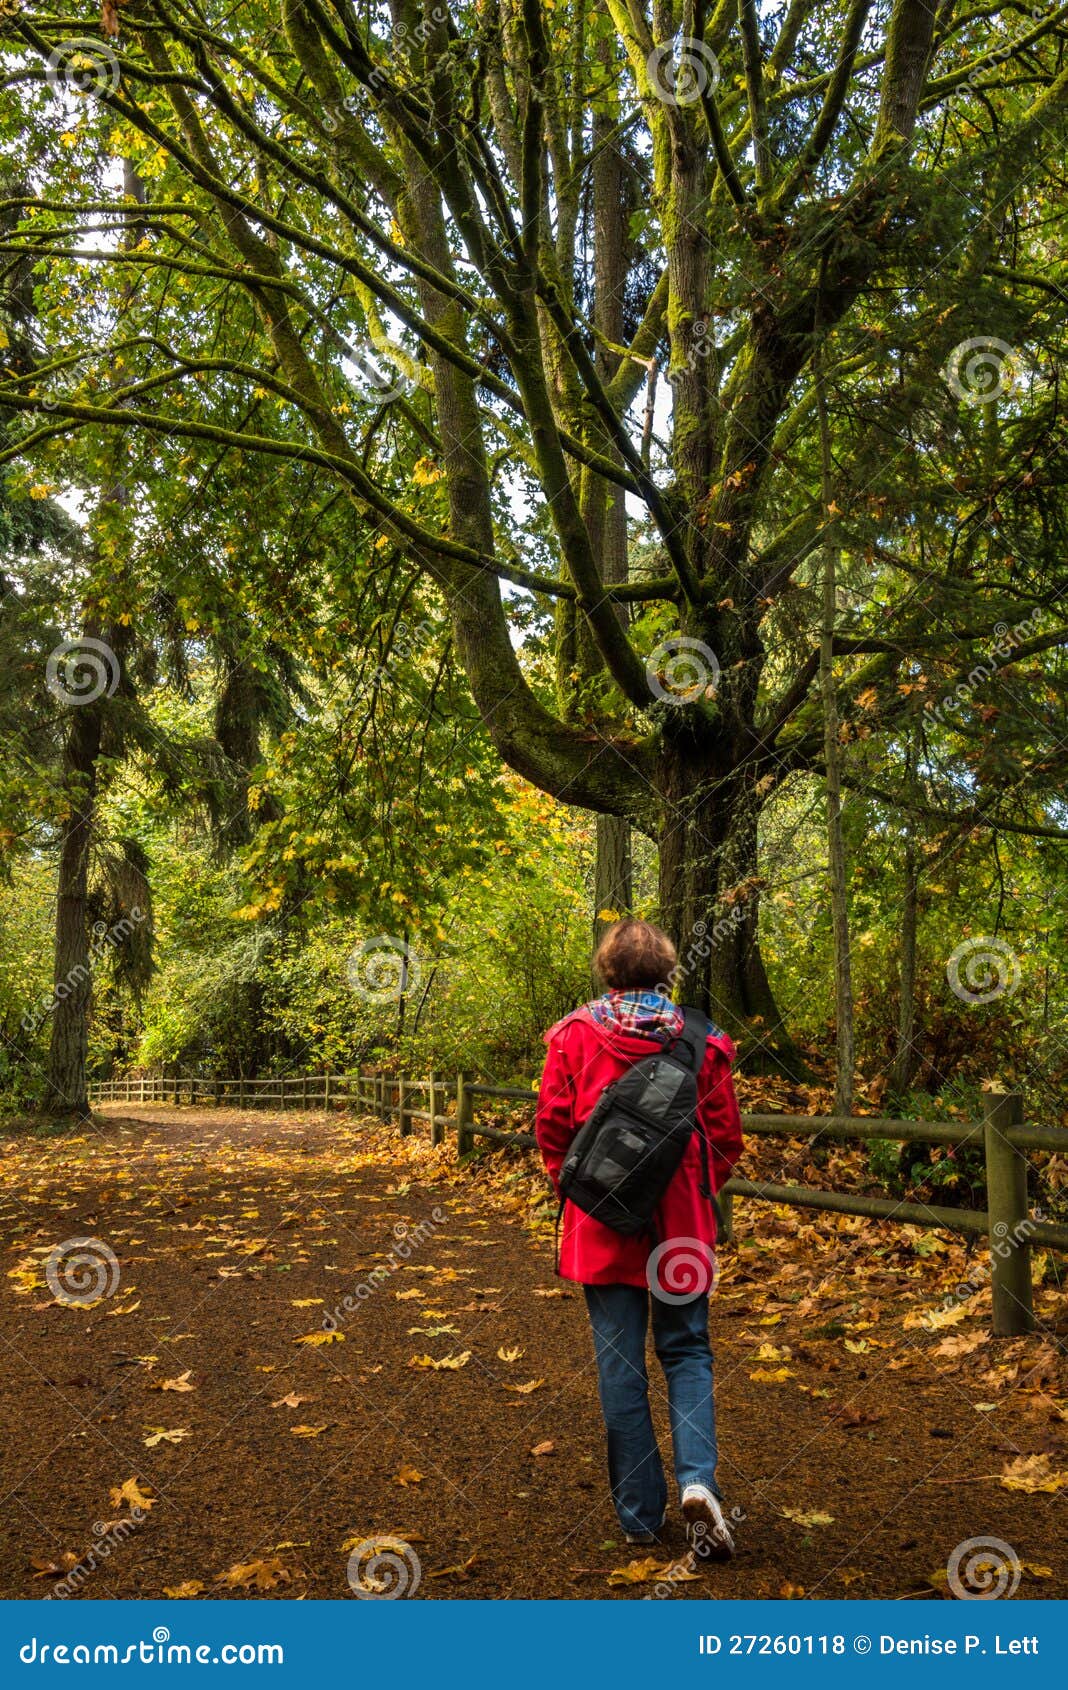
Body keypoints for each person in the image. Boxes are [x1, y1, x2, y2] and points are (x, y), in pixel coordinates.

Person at [535, 918, 743, 1556]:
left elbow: (552, 1128)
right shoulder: (705, 1040)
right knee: (686, 1350)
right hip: (678, 1222)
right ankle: (698, 1482)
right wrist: (691, 1192)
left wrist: (583, 1192)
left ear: (607, 971)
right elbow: (725, 1138)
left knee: (619, 1364)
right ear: (666, 970)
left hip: (603, 1223)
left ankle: (638, 1513)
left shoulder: (572, 1037)